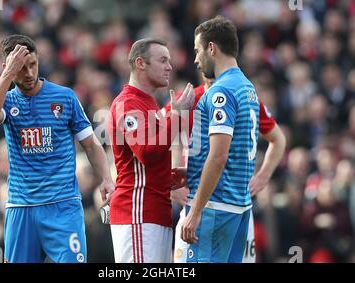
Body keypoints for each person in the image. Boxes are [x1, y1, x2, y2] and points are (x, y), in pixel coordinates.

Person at [0, 34, 114, 263]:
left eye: (33, 65)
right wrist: (7, 75)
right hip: (22, 206)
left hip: (63, 205)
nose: (29, 73)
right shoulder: (8, 101)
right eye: (21, 68)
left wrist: (106, 178)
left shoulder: (65, 97)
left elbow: (91, 144)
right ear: (8, 68)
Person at [167, 75, 286, 263]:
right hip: (218, 206)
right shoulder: (193, 98)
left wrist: (263, 176)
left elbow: (278, 139)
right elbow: (159, 138)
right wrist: (174, 182)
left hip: (218, 208)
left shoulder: (242, 97)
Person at [180, 16, 260, 263]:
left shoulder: (221, 92)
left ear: (211, 48)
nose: (195, 59)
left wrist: (195, 211)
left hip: (215, 207)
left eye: (197, 50)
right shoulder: (248, 88)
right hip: (238, 206)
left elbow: (218, 156)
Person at [107, 38, 194, 263]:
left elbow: (151, 163)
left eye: (170, 61)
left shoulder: (149, 104)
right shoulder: (128, 103)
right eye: (163, 60)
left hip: (153, 212)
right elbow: (146, 152)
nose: (169, 67)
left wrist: (175, 176)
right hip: (137, 212)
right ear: (140, 63)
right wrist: (177, 116)